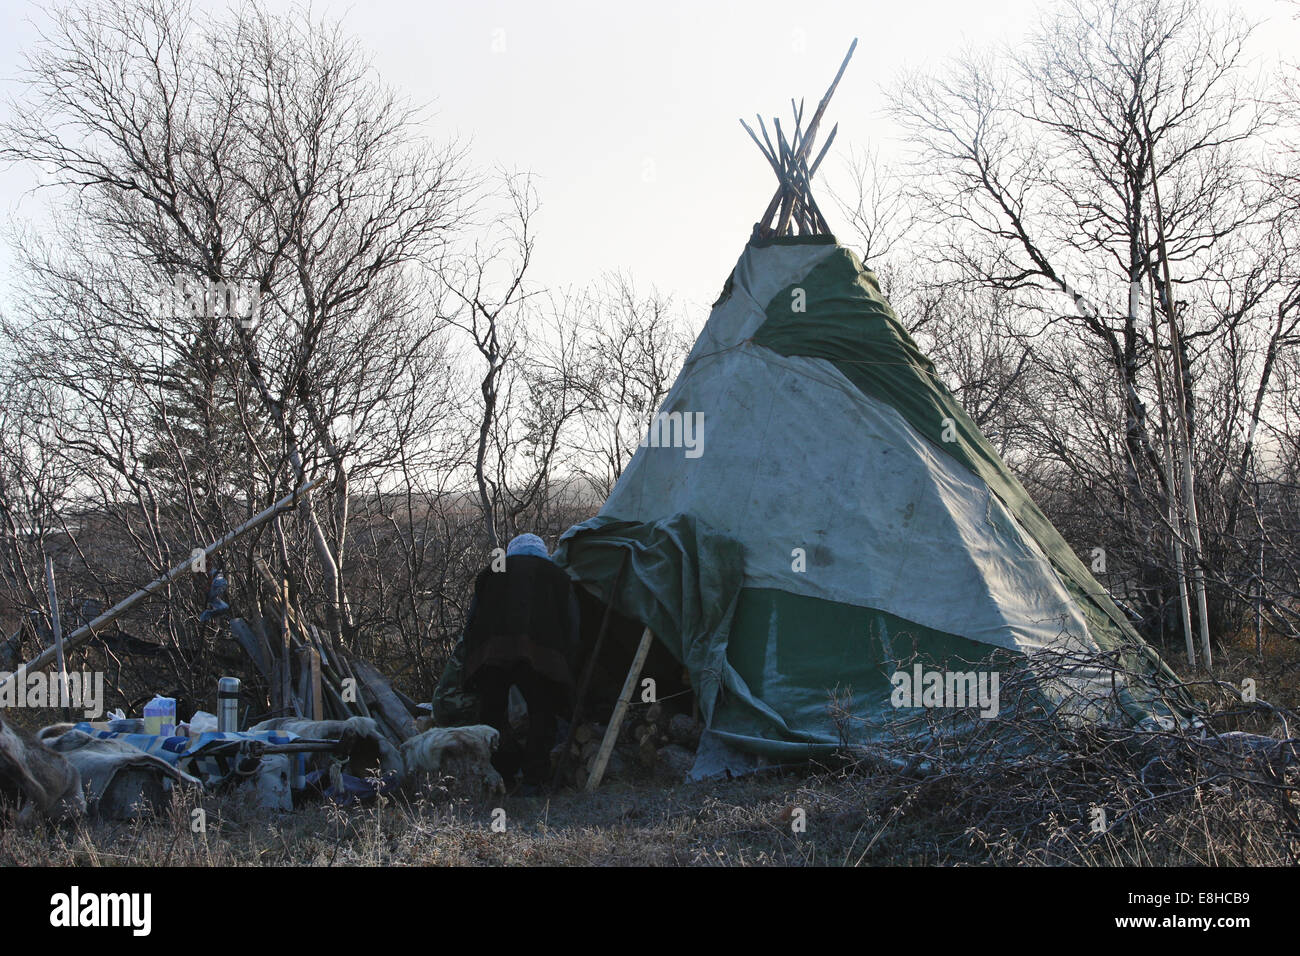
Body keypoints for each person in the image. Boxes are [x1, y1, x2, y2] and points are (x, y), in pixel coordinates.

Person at [459, 533, 580, 788]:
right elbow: (572, 623)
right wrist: (569, 659)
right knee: (541, 711)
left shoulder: (492, 572)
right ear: (542, 552)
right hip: (540, 654)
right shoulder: (556, 575)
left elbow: (472, 621)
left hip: (492, 653)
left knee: (492, 713)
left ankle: (499, 774)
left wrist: (470, 658)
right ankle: (535, 778)